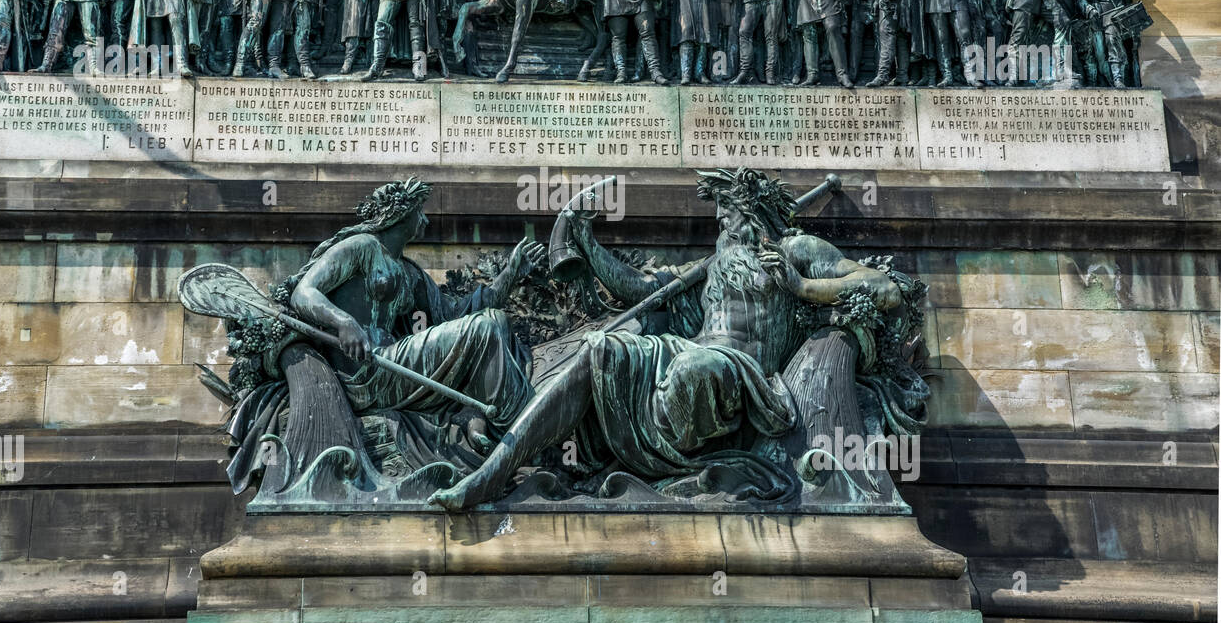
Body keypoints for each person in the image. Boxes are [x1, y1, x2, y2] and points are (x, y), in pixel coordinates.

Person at [428, 167, 921, 511]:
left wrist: (804, 287)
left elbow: (887, 289)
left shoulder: (797, 249)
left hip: (739, 371)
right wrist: (589, 244)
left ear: (751, 214)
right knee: (600, 348)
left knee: (695, 370)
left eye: (727, 214)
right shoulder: (709, 267)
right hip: (684, 353)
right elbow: (640, 289)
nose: (721, 224)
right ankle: (493, 472)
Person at [225, 179, 542, 500]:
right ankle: (523, 433)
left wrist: (510, 275)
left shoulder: (410, 273)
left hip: (391, 364)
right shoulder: (361, 247)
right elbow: (304, 293)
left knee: (493, 322)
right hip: (363, 373)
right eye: (420, 213)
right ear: (401, 215)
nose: (426, 221)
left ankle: (512, 427)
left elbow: (454, 317)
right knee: (484, 329)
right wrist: (344, 322)